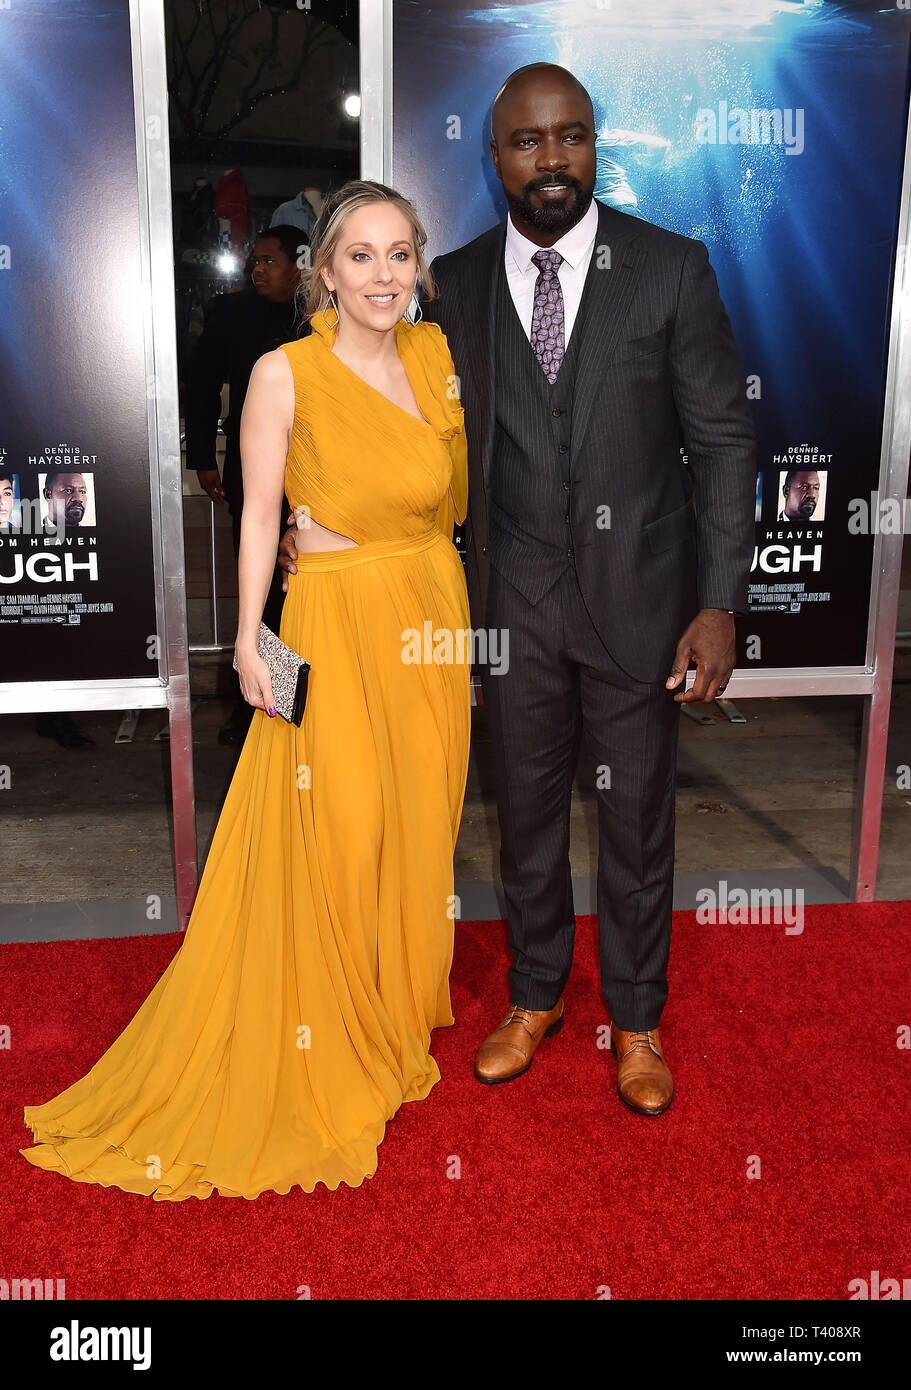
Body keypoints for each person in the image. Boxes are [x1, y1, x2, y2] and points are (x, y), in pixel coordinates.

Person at [281, 64, 756, 1118]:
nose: (553, 160)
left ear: (594, 146)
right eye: (529, 142)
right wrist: (310, 503)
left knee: (635, 822)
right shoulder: (446, 279)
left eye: (571, 138)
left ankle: (635, 1020)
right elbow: (387, 408)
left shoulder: (669, 269)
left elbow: (722, 440)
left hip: (640, 601)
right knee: (526, 817)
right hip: (507, 608)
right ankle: (536, 995)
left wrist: (718, 600)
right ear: (493, 154)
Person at [20, 180, 471, 1198]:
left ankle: (396, 1006)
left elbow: (450, 501)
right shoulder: (283, 372)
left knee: (420, 816)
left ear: (421, 265)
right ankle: (333, 1018)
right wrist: (247, 639)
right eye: (360, 255)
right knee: (343, 823)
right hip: (339, 617)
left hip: (429, 613)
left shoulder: (438, 355)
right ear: (323, 268)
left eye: (399, 254)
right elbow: (259, 515)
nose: (382, 275)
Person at [184, 225, 304, 744]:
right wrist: (202, 456)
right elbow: (203, 383)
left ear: (300, 264)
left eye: (269, 261)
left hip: (316, 481)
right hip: (252, 477)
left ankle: (303, 698)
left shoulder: (325, 317)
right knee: (260, 592)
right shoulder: (232, 314)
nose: (258, 269)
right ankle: (256, 706)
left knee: (302, 590)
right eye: (254, 261)